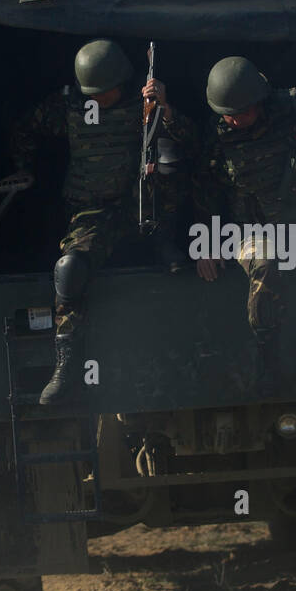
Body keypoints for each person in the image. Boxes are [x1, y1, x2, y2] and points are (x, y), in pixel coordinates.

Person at [10, 39, 195, 404]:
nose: (100, 99)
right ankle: (66, 366)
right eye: (93, 93)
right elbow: (23, 129)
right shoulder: (68, 106)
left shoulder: (144, 108)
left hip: (144, 204)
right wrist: (24, 170)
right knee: (69, 269)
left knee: (170, 169)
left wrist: (165, 110)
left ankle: (164, 242)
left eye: (106, 92)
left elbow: (194, 142)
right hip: (92, 212)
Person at [191, 55, 296, 396]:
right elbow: (203, 192)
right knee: (267, 263)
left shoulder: (291, 108)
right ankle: (269, 358)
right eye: (230, 114)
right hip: (253, 230)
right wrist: (206, 242)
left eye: (245, 112)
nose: (237, 120)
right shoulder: (215, 136)